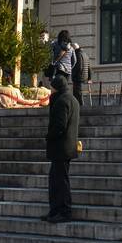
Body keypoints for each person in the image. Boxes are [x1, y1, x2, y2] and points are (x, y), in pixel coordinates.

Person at [43, 73, 80, 223]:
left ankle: (63, 211)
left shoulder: (62, 101)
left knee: (59, 181)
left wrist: (48, 136)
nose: (50, 90)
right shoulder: (73, 100)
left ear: (56, 87)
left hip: (61, 148)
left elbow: (59, 126)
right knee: (57, 180)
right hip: (66, 147)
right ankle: (55, 211)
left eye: (51, 87)